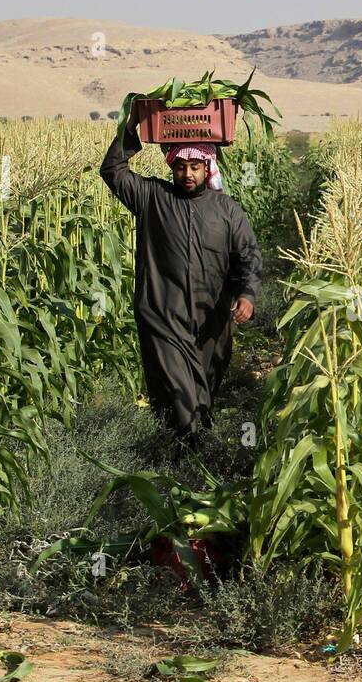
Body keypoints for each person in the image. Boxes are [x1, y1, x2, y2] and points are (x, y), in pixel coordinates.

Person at [99, 119, 262, 448]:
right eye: (181, 167)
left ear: (207, 167)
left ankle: (184, 459)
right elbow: (113, 170)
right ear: (171, 166)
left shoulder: (227, 211)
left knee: (203, 396)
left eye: (195, 167)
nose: (187, 174)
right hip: (163, 315)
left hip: (212, 321)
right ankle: (189, 459)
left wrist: (247, 294)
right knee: (180, 396)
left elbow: (249, 256)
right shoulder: (151, 198)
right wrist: (131, 129)